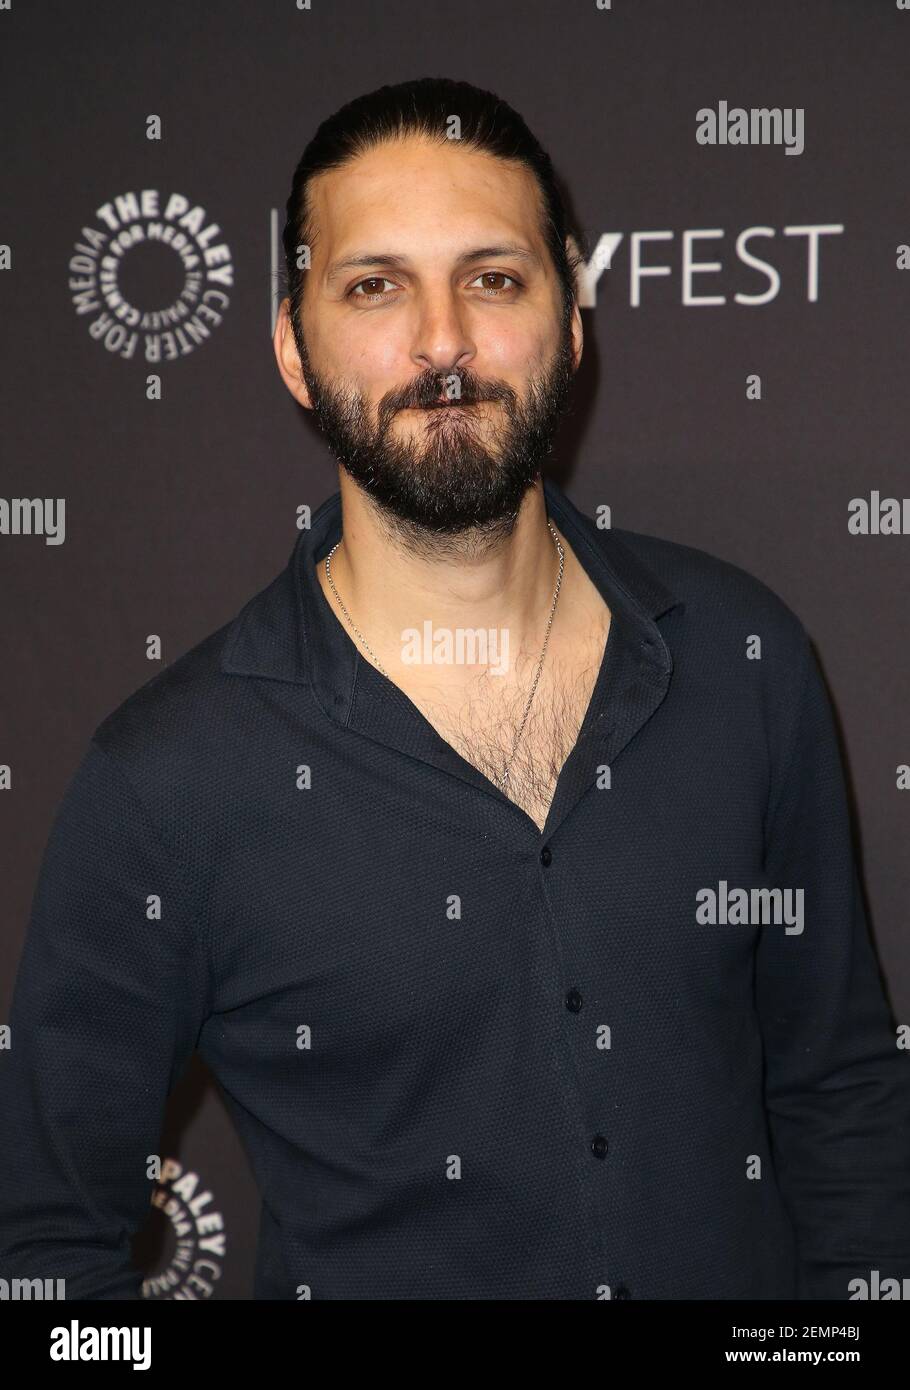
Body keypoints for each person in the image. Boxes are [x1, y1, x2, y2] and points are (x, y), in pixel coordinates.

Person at [2, 77, 908, 1301]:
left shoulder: (744, 661)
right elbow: (42, 1261)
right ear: (290, 345)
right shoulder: (167, 780)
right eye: (374, 286)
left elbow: (839, 1097)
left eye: (493, 276)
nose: (442, 340)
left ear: (571, 320)